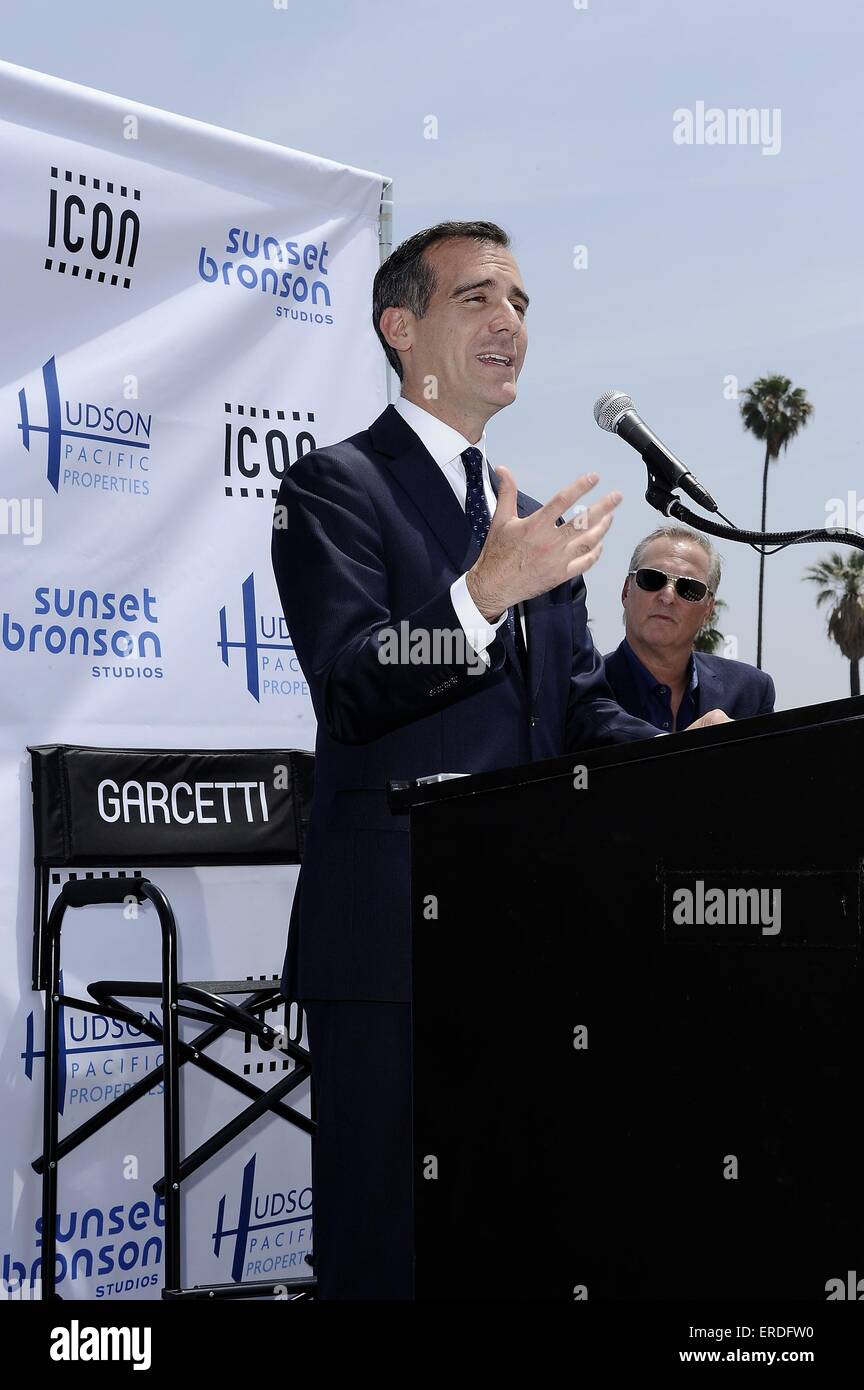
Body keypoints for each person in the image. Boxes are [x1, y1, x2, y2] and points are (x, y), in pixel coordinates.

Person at [271, 220, 730, 1299]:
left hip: (525, 945)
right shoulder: (335, 487)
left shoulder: (526, 522)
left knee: (507, 1245)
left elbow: (569, 715)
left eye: (522, 303)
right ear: (401, 326)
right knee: (387, 1258)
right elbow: (351, 683)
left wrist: (683, 759)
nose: (509, 323)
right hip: (389, 949)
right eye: (479, 297)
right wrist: (481, 595)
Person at [603, 527, 775, 731]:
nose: (667, 597)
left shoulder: (750, 692)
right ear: (626, 591)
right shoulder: (580, 690)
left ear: (708, 610)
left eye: (689, 589)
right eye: (651, 579)